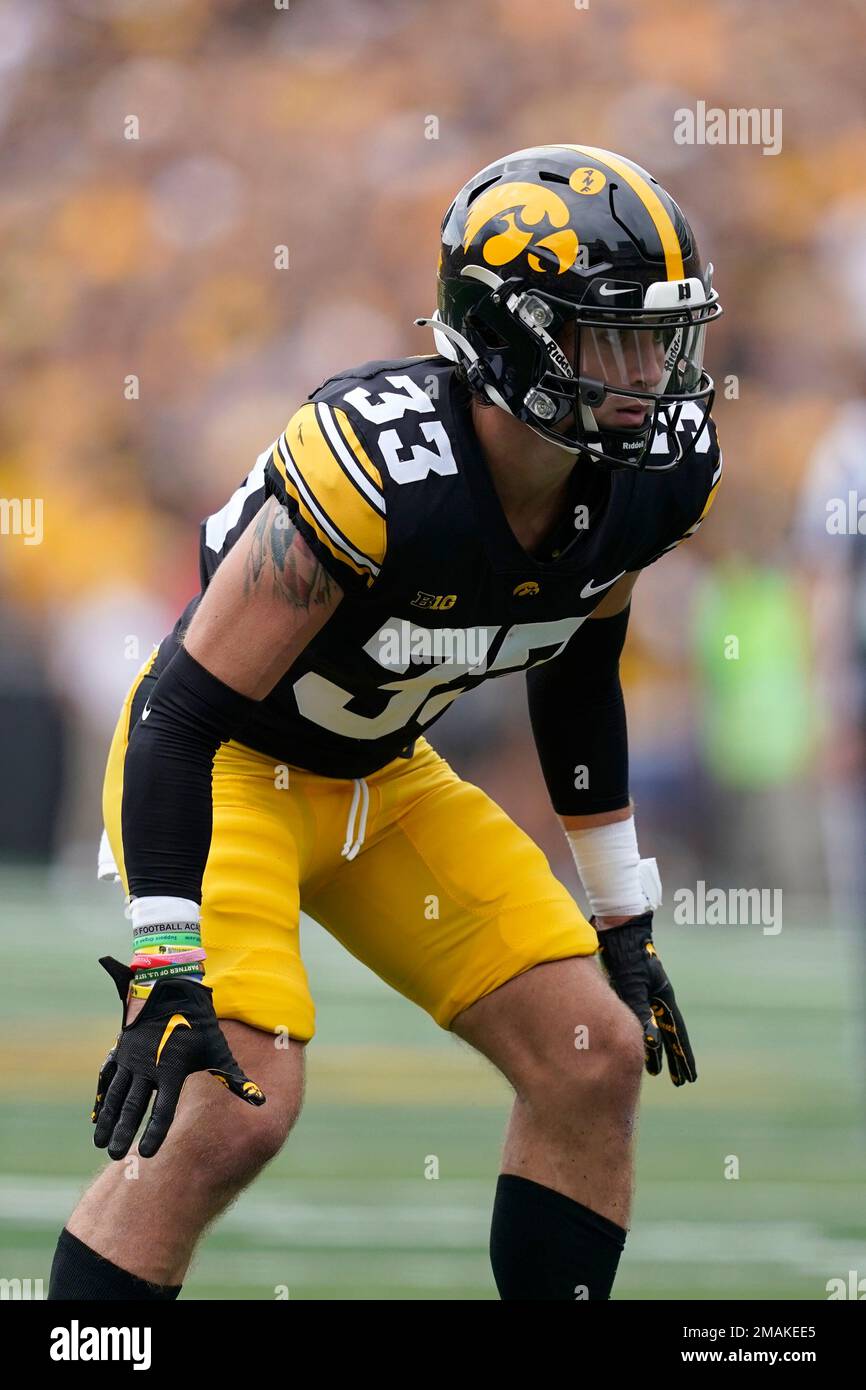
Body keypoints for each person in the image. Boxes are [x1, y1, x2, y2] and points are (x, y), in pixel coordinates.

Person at [49, 144, 724, 1302]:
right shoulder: (383, 463)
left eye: (657, 339)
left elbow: (578, 668)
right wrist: (164, 959)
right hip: (229, 764)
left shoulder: (647, 480)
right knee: (231, 1106)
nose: (645, 376)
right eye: (606, 338)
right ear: (505, 336)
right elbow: (179, 711)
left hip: (382, 777)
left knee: (590, 1054)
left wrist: (621, 914)